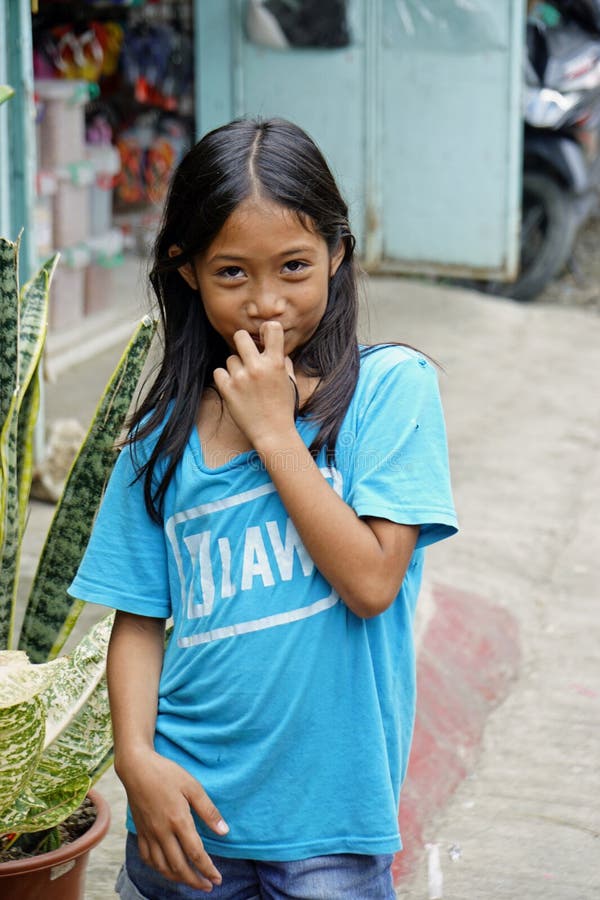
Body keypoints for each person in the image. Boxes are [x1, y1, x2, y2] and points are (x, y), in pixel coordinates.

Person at [69, 117, 457, 900]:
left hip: (330, 823)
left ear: (338, 254)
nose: (267, 302)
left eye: (293, 266)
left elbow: (374, 581)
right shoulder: (161, 439)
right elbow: (139, 621)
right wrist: (135, 761)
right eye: (232, 274)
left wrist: (275, 431)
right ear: (186, 272)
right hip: (185, 818)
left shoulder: (389, 392)